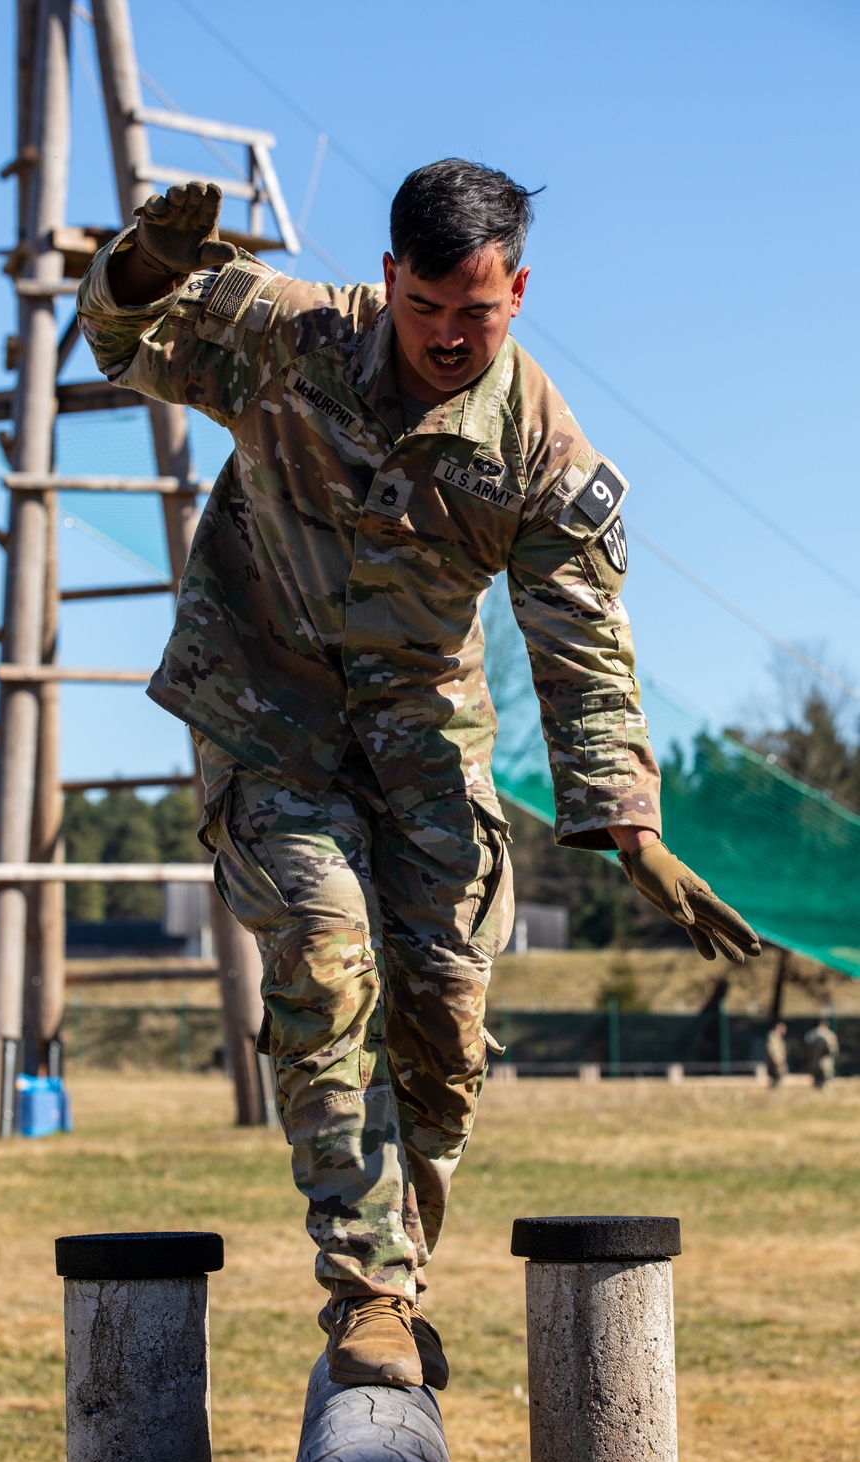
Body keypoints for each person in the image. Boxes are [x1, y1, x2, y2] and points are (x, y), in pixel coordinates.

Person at [77, 160, 761, 1390]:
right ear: (389, 278)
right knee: (329, 951)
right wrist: (138, 264)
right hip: (266, 705)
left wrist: (626, 822)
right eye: (428, 307)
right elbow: (119, 344)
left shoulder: (540, 445)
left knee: (443, 1024)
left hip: (424, 732)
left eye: (479, 313)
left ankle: (399, 1276)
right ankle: (368, 1296)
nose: (450, 337)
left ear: (520, 291)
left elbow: (581, 637)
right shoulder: (287, 335)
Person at [803, 1017, 838, 1088]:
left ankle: (817, 1097)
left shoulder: (811, 1034)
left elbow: (806, 1049)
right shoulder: (829, 1035)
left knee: (817, 1083)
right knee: (826, 1083)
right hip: (826, 1063)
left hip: (814, 1063)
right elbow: (834, 1051)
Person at [765, 1020, 788, 1087]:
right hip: (777, 1059)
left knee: (778, 1076)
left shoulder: (777, 1037)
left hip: (777, 1059)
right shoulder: (774, 1037)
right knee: (778, 1075)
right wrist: (776, 1057)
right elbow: (773, 1048)